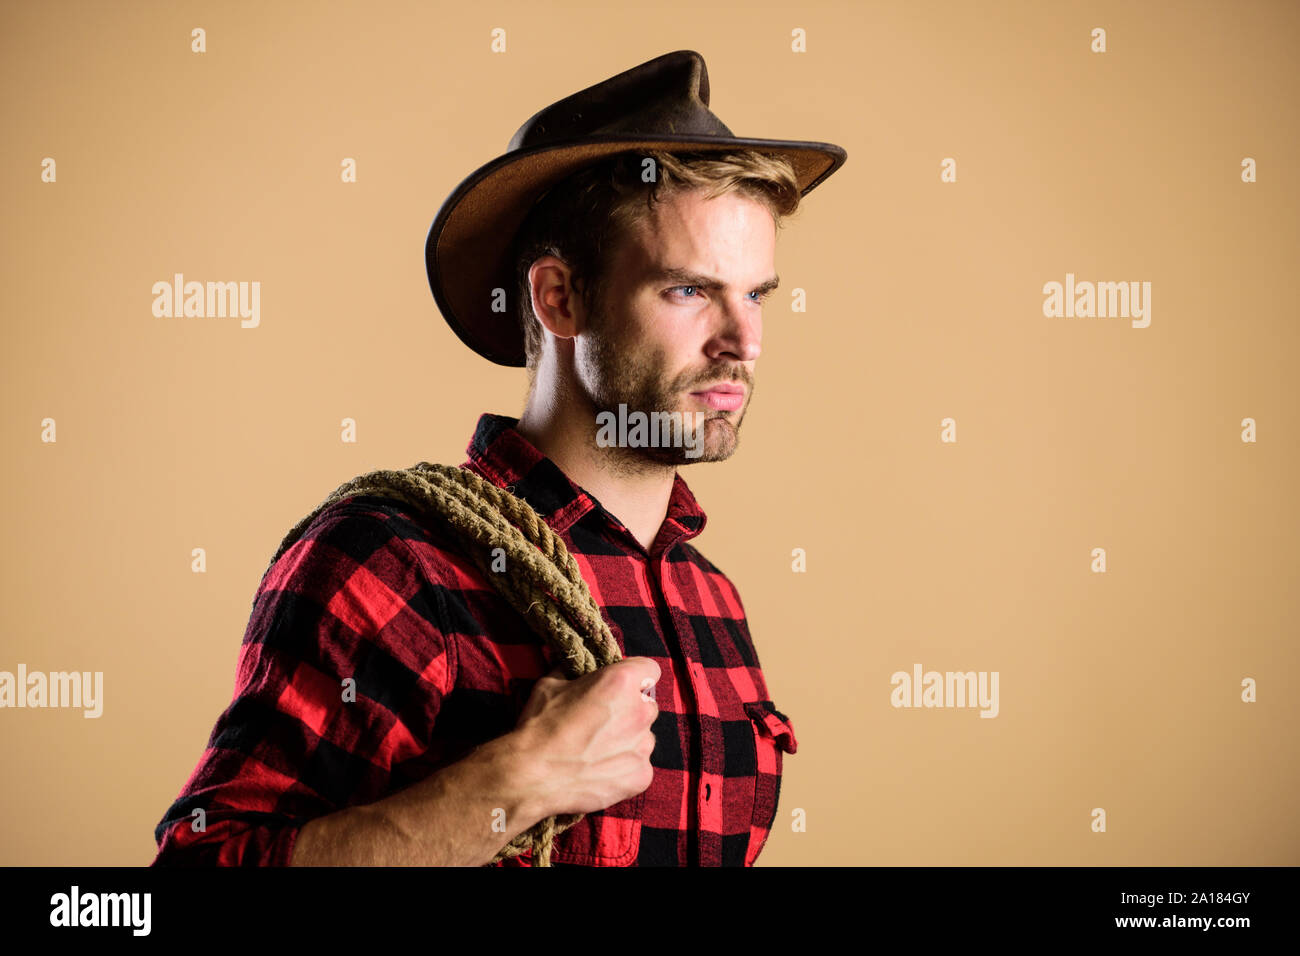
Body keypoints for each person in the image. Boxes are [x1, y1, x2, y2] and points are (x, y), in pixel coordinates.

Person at [151, 49, 845, 867]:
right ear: (560, 297)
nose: (744, 341)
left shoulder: (710, 598)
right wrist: (515, 785)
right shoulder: (393, 561)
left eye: (756, 294)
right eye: (689, 290)